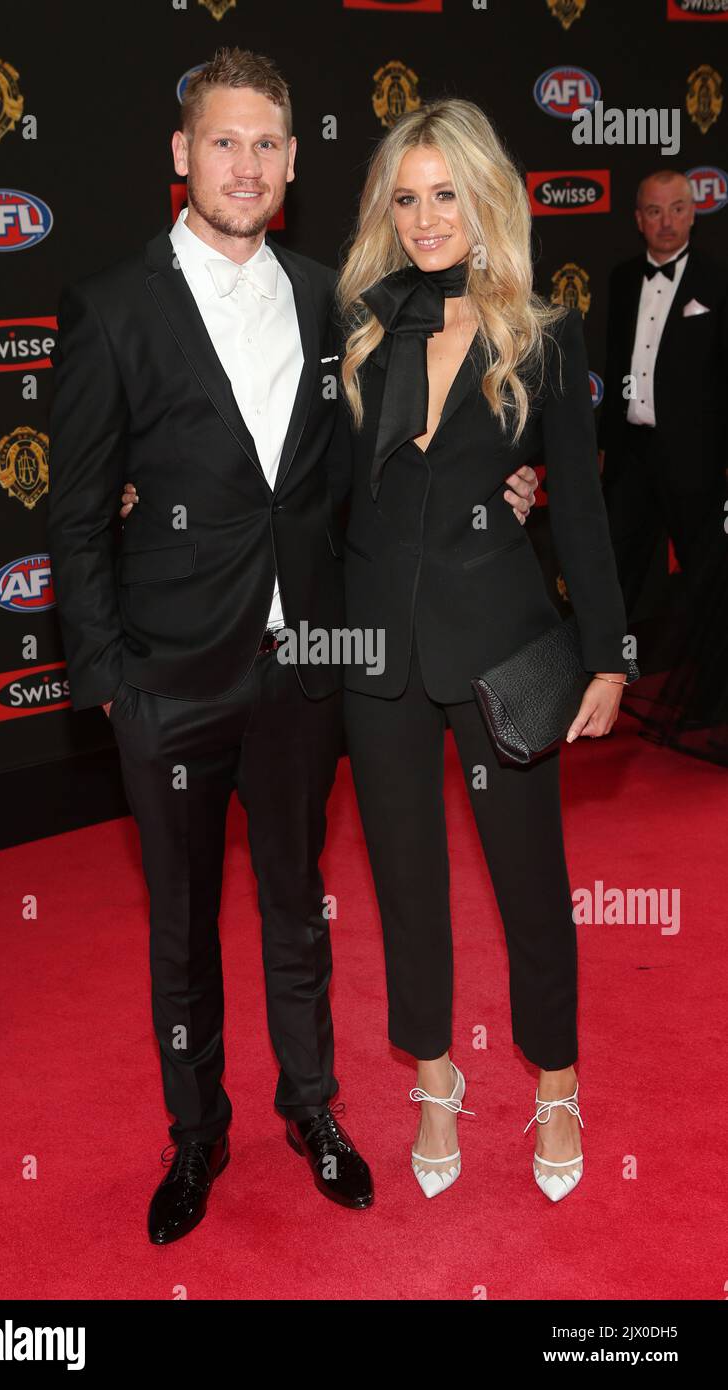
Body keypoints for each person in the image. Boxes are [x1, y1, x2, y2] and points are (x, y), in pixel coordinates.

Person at [49, 48, 540, 1243]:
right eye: (224, 142)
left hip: (302, 670)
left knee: (298, 906)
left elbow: (410, 444)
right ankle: (195, 1132)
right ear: (181, 154)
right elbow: (72, 516)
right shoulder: (112, 309)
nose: (246, 165)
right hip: (166, 679)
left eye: (268, 144)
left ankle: (311, 1108)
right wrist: (109, 680)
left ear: (292, 161)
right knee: (178, 927)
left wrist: (504, 486)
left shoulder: (338, 300)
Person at [331, 98, 635, 1204]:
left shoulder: (539, 336)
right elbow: (310, 483)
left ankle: (554, 1083)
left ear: (484, 197)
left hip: (501, 647)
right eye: (403, 198)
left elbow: (584, 514)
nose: (422, 219)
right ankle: (431, 1077)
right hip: (377, 658)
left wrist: (606, 656)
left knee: (529, 886)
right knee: (404, 887)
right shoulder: (360, 326)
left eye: (443, 194)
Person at [598, 169, 728, 623]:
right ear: (639, 219)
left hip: (695, 461)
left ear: (693, 214)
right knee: (613, 574)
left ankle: (712, 685)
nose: (666, 221)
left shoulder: (717, 281)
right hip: (631, 457)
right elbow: (614, 366)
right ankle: (609, 672)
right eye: (655, 211)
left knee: (709, 582)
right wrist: (605, 448)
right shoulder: (621, 279)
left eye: (677, 209)